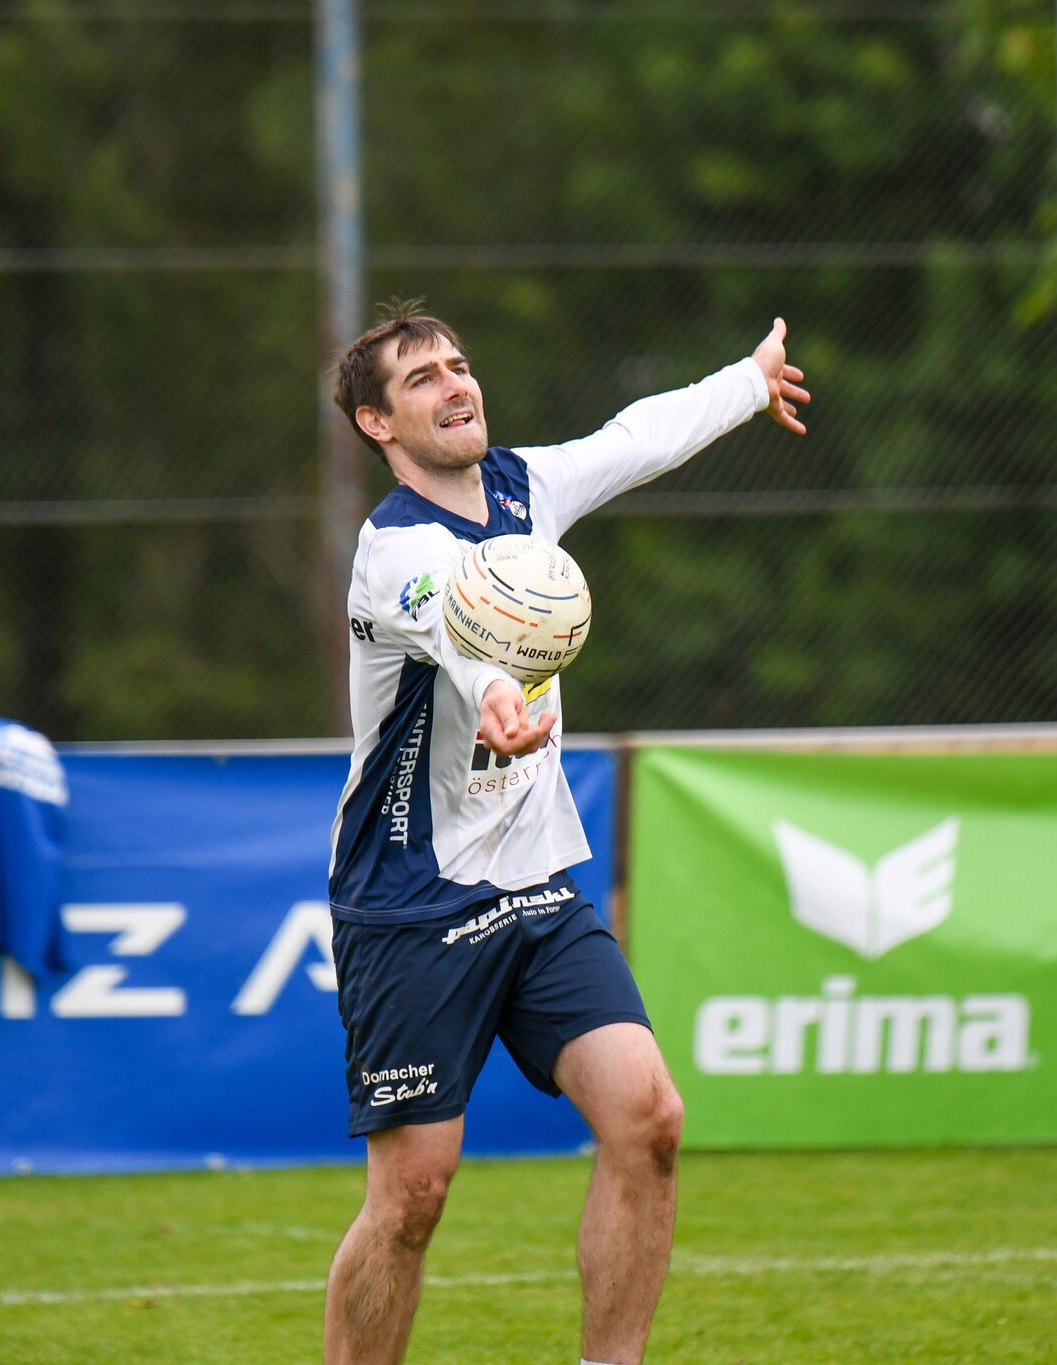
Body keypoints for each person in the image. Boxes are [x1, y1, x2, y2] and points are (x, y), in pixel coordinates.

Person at [323, 300, 810, 1365]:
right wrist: (500, 692)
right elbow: (452, 626)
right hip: (410, 901)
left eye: (459, 365)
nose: (456, 385)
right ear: (377, 423)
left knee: (649, 1117)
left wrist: (747, 380)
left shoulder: (522, 488)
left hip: (537, 884)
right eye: (421, 379)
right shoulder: (392, 552)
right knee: (412, 1193)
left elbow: (632, 440)